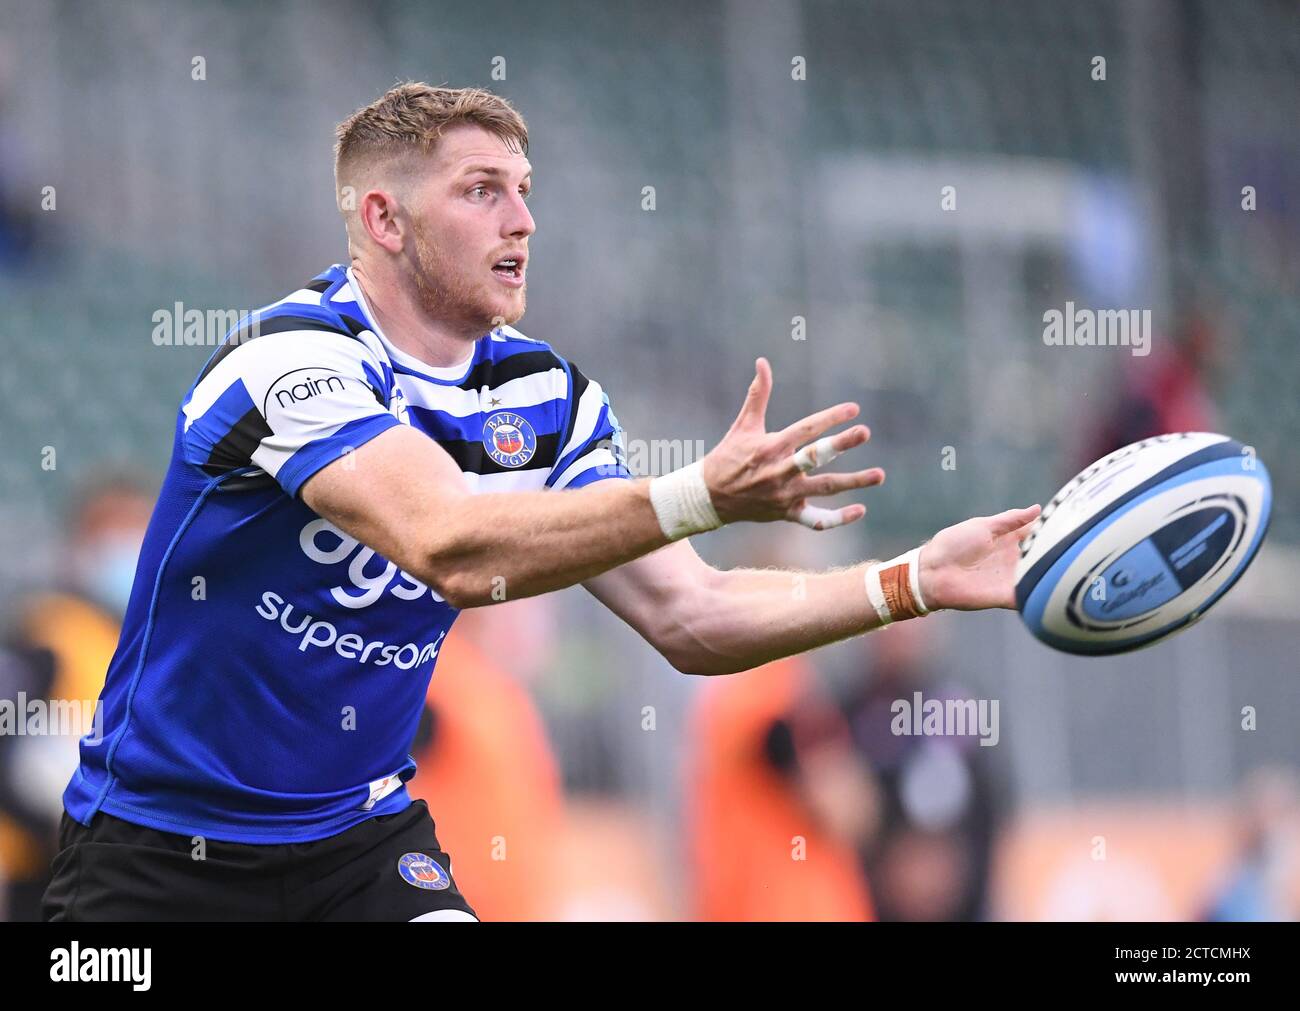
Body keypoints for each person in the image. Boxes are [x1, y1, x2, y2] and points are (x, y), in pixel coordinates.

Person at [43, 82, 1039, 922]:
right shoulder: (287, 362)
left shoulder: (546, 401)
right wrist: (696, 493)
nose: (521, 220)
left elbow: (690, 614)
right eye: (481, 191)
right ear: (385, 219)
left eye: (524, 191)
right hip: (158, 850)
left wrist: (916, 581)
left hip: (356, 840)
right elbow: (450, 546)